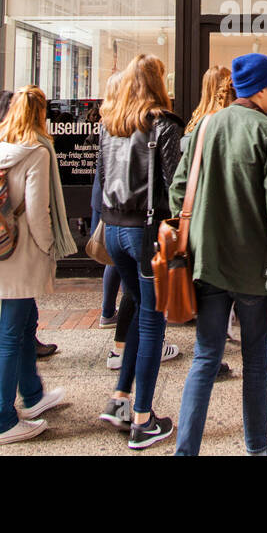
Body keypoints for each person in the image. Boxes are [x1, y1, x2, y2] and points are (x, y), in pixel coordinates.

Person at [172, 53, 267, 455]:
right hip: (256, 271)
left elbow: (179, 192)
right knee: (256, 359)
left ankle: (186, 451)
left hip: (207, 264)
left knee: (204, 358)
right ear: (261, 89)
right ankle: (258, 448)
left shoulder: (206, 126)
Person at [0, 85, 77, 444]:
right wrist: (49, 246)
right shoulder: (36, 151)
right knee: (11, 334)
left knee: (22, 322)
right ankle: (3, 419)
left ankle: (32, 395)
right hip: (21, 253)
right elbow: (38, 210)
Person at [95, 53, 183, 449]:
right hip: (146, 233)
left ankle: (120, 398)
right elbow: (176, 183)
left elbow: (100, 178)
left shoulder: (112, 124)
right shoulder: (162, 124)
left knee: (135, 306)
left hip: (113, 229)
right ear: (158, 82)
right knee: (152, 320)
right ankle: (144, 419)